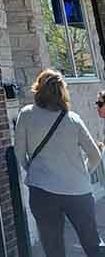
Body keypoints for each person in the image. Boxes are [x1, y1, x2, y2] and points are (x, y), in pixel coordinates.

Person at [15, 69, 104, 257]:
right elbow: (95, 155)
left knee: (53, 248)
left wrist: (33, 170)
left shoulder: (26, 115)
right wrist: (84, 172)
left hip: (42, 191)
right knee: (92, 243)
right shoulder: (72, 119)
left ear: (38, 89)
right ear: (63, 91)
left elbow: (19, 153)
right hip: (78, 190)